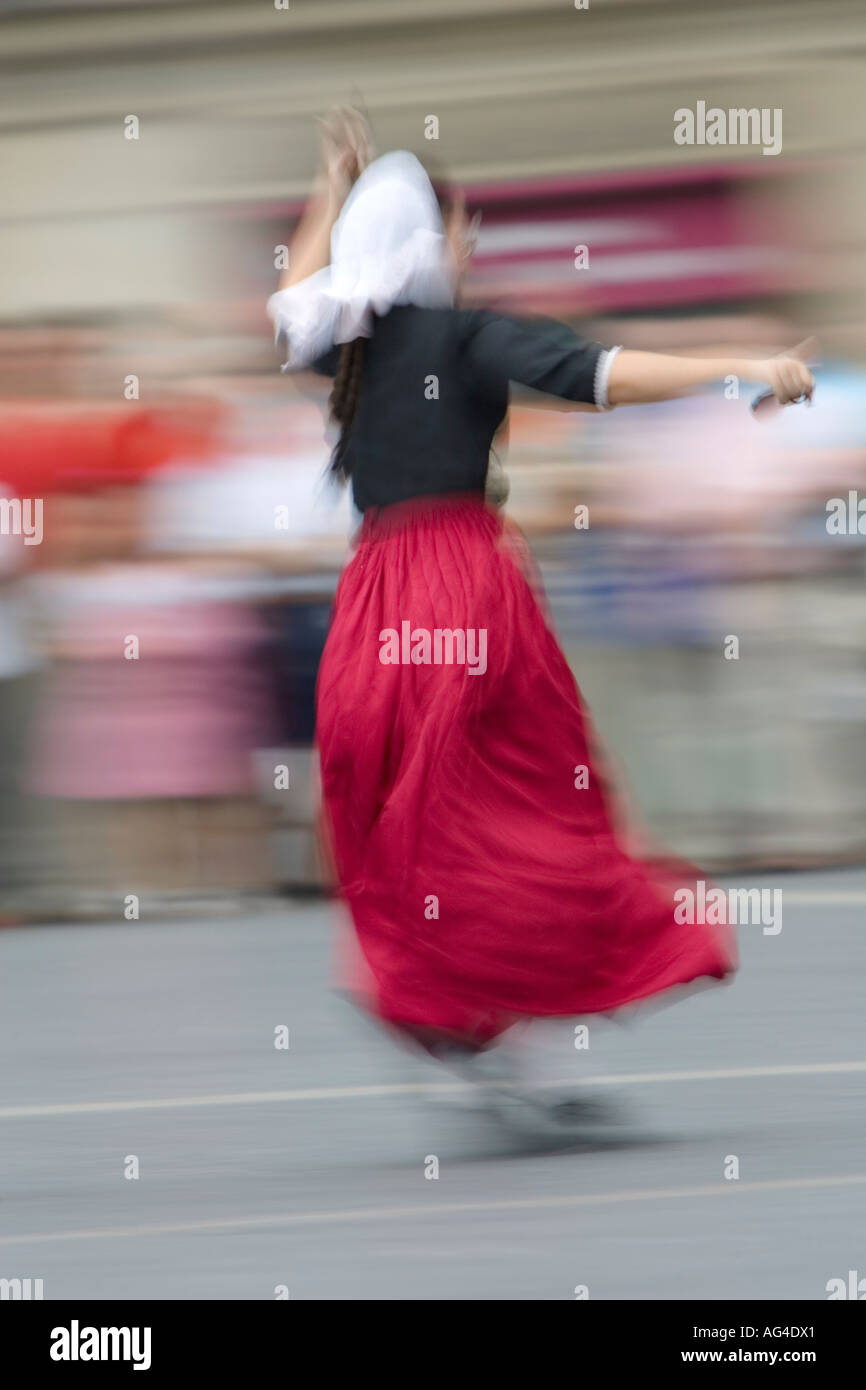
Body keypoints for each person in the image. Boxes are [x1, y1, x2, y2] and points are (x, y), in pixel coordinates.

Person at [266, 110, 813, 1131]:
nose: (470, 247)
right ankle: (520, 1025)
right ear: (436, 240)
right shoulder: (465, 336)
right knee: (535, 805)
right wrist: (739, 363)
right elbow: (600, 376)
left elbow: (294, 297)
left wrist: (330, 187)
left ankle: (471, 1017)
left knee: (427, 814)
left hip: (375, 598)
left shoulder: (343, 347)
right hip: (464, 591)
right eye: (461, 228)